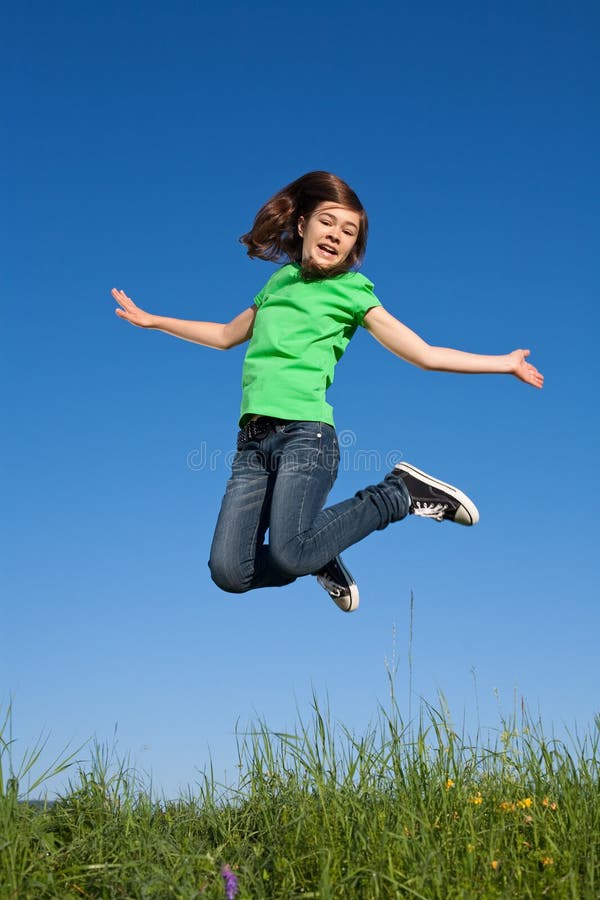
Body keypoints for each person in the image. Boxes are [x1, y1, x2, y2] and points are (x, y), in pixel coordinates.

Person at [111, 171, 543, 613]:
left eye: (349, 231)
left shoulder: (352, 291)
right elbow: (224, 335)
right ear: (302, 226)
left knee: (289, 552)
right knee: (229, 571)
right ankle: (321, 548)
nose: (336, 235)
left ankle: (399, 492)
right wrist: (154, 320)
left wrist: (504, 363)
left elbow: (423, 353)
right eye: (328, 222)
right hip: (252, 445)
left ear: (354, 248)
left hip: (306, 436)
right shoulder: (278, 283)